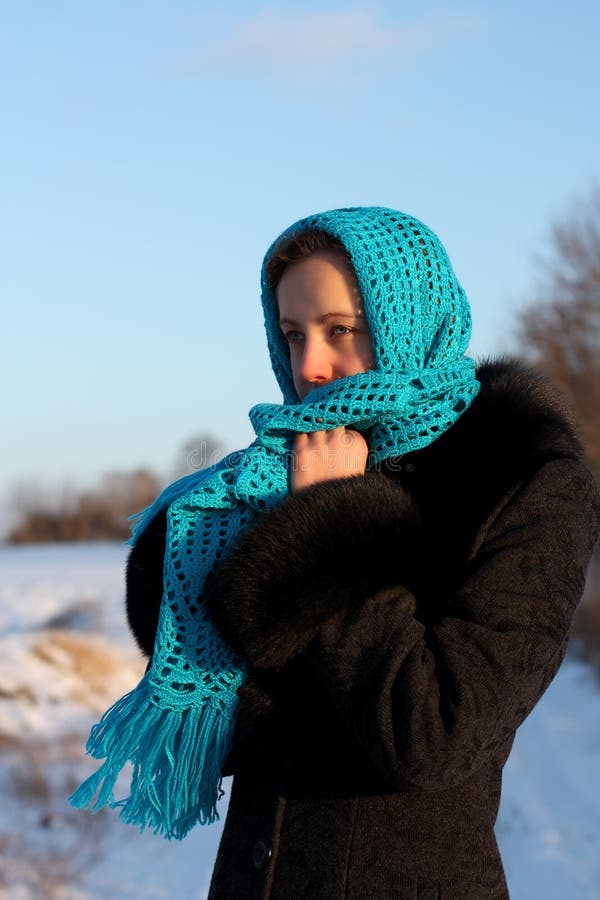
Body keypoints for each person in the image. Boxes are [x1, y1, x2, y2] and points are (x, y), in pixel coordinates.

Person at [71, 207, 600, 899]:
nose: (309, 367)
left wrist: (327, 525)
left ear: (409, 320)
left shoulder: (518, 478)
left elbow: (436, 735)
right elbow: (235, 735)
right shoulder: (270, 480)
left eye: (339, 330)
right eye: (292, 335)